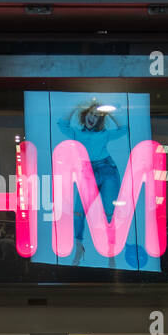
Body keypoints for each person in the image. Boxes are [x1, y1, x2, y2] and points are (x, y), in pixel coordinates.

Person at [56, 99, 129, 267]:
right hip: (87, 173)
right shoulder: (76, 133)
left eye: (97, 116)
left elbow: (124, 129)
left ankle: (111, 254)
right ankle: (79, 249)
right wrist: (76, 106)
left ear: (99, 120)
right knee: (79, 212)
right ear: (85, 115)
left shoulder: (104, 134)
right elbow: (62, 124)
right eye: (91, 114)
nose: (93, 118)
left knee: (109, 214)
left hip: (108, 171)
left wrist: (108, 112)